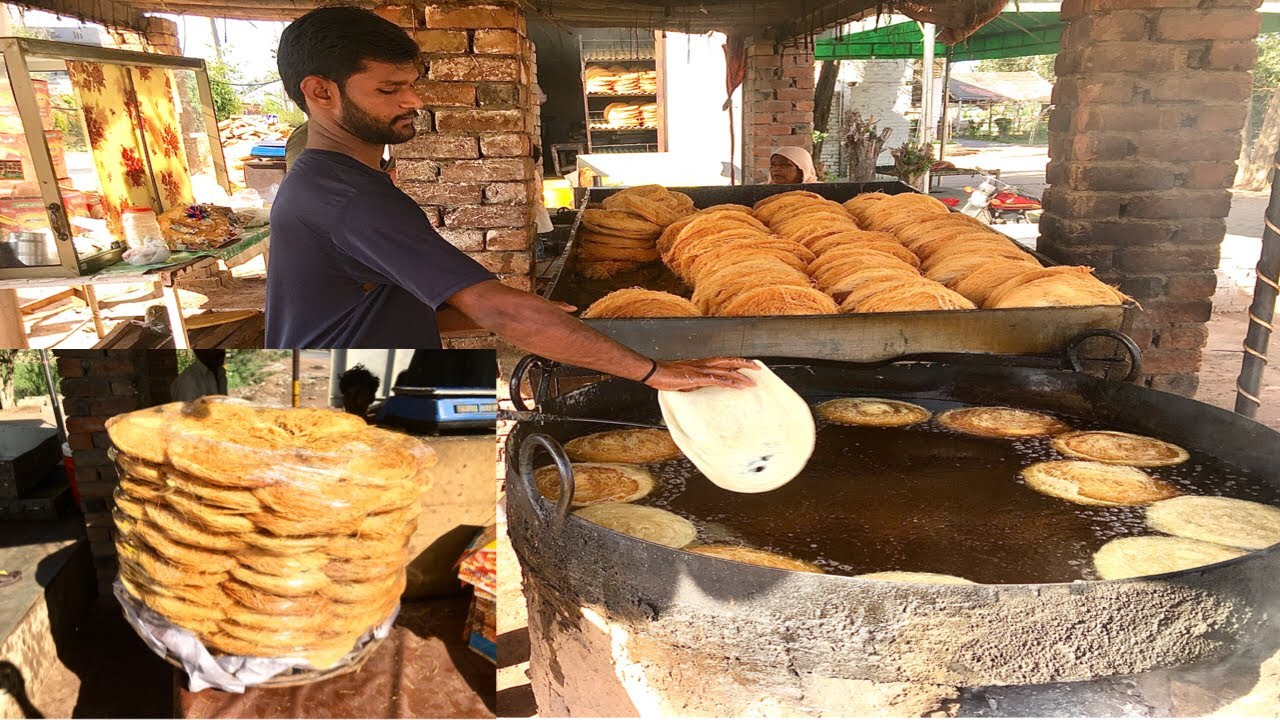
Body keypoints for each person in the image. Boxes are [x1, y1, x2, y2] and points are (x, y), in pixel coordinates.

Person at [268, 7, 752, 393]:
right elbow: (495, 309)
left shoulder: (335, 182)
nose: (413, 101)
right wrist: (655, 372)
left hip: (353, 378)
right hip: (340, 401)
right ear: (320, 92)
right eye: (389, 89)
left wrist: (542, 322)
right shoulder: (351, 198)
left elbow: (382, 306)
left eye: (412, 84)